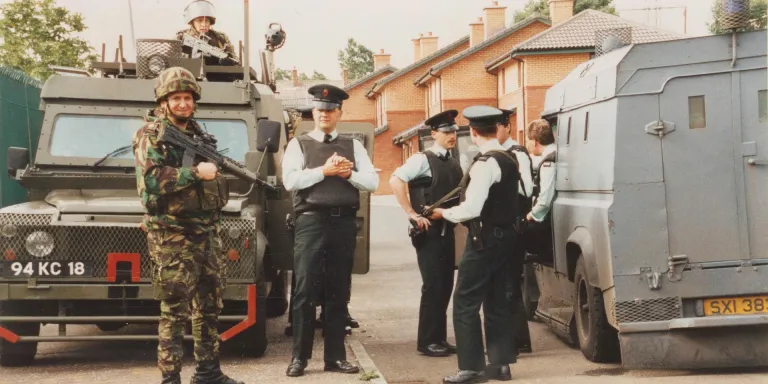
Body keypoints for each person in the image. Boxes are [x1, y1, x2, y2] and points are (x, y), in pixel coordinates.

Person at [132, 67, 243, 384]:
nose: (183, 103)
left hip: (206, 233)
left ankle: (208, 371)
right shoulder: (150, 135)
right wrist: (196, 173)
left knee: (209, 306)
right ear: (163, 101)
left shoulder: (198, 135)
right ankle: (170, 378)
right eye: (176, 98)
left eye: (187, 98)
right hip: (173, 236)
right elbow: (151, 182)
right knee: (174, 310)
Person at [281, 84, 379, 377]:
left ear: (339, 113)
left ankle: (335, 358)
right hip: (311, 221)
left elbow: (372, 182)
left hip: (342, 223)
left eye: (330, 110)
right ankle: (300, 358)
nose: (324, 114)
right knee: (304, 291)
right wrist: (325, 171)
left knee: (338, 291)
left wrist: (349, 174)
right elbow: (291, 181)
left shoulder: (353, 146)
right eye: (320, 110)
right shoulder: (299, 144)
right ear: (313, 112)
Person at [432, 105, 521, 383]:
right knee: (497, 300)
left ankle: (471, 368)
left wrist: (442, 213)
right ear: (497, 129)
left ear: (472, 132)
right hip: (508, 237)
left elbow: (471, 209)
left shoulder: (484, 163)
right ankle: (500, 364)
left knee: (465, 302)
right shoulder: (510, 158)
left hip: (483, 239)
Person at [389, 110, 463, 358]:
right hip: (428, 232)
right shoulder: (422, 159)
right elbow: (396, 180)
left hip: (447, 230)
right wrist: (411, 212)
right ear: (434, 134)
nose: (452, 136)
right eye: (446, 132)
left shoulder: (453, 161)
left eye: (453, 131)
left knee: (444, 286)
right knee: (433, 286)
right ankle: (427, 341)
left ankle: (439, 338)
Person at [496, 109, 533, 355]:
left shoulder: (516, 153)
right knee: (505, 282)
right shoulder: (492, 153)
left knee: (509, 281)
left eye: (496, 127)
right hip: (499, 226)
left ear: (507, 127)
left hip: (513, 225)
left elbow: (527, 189)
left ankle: (516, 340)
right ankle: (519, 338)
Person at [177, 0, 239, 66]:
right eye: (199, 20)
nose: (204, 24)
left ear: (210, 22)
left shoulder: (220, 38)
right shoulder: (181, 37)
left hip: (215, 74)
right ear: (192, 22)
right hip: (188, 74)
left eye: (206, 21)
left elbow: (235, 59)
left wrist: (228, 59)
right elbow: (169, 58)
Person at [526, 119, 557, 227]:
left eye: (528, 141)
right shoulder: (555, 153)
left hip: (547, 223)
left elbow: (545, 201)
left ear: (535, 141)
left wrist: (530, 216)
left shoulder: (548, 161)